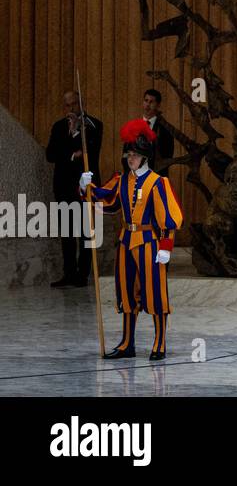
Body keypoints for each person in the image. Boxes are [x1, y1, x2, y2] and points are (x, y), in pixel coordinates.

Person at [82, 119, 183, 361]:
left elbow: (169, 217)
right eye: (128, 154)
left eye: (135, 155)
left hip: (150, 242)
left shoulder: (159, 183)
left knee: (155, 293)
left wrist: (166, 246)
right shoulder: (122, 180)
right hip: (126, 241)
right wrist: (86, 187)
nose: (130, 158)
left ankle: (159, 342)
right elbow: (107, 202)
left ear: (145, 157)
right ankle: (127, 343)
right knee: (126, 293)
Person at [45, 90, 102, 287]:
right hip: (63, 185)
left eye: (75, 104)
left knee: (86, 232)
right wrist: (71, 154)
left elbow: (91, 153)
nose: (71, 108)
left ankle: (82, 275)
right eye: (68, 105)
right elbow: (51, 154)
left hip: (85, 186)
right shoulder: (59, 127)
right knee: (67, 231)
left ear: (81, 103)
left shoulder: (93, 125)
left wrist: (78, 132)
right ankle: (68, 273)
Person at [141, 88, 176, 175]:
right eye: (146, 100)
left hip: (157, 177)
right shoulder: (134, 127)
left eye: (151, 102)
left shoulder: (165, 130)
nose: (148, 105)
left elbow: (167, 157)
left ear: (158, 105)